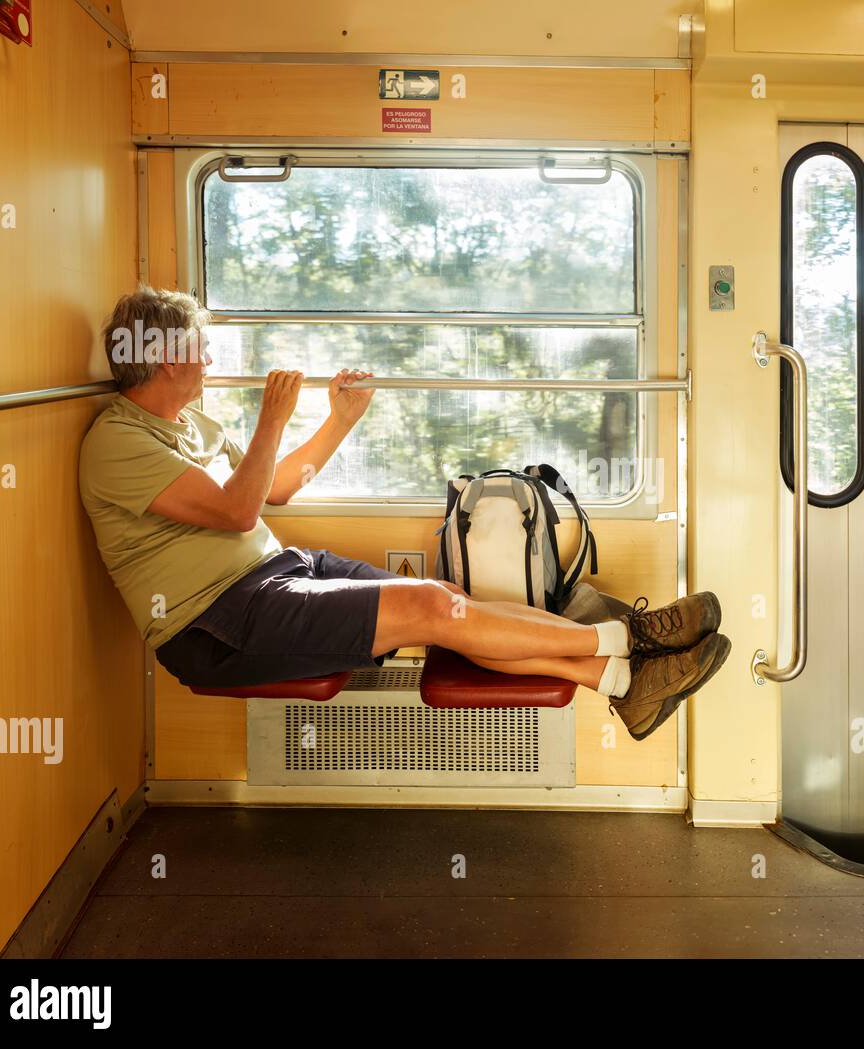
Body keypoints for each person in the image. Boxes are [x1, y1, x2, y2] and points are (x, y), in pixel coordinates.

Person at [78, 287, 730, 741]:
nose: (208, 361)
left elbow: (274, 490)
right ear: (165, 357)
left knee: (444, 599)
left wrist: (338, 420)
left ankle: (621, 681)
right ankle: (627, 638)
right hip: (212, 623)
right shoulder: (117, 440)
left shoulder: (188, 421)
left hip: (273, 574)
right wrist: (272, 420)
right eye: (198, 348)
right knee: (429, 607)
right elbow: (239, 509)